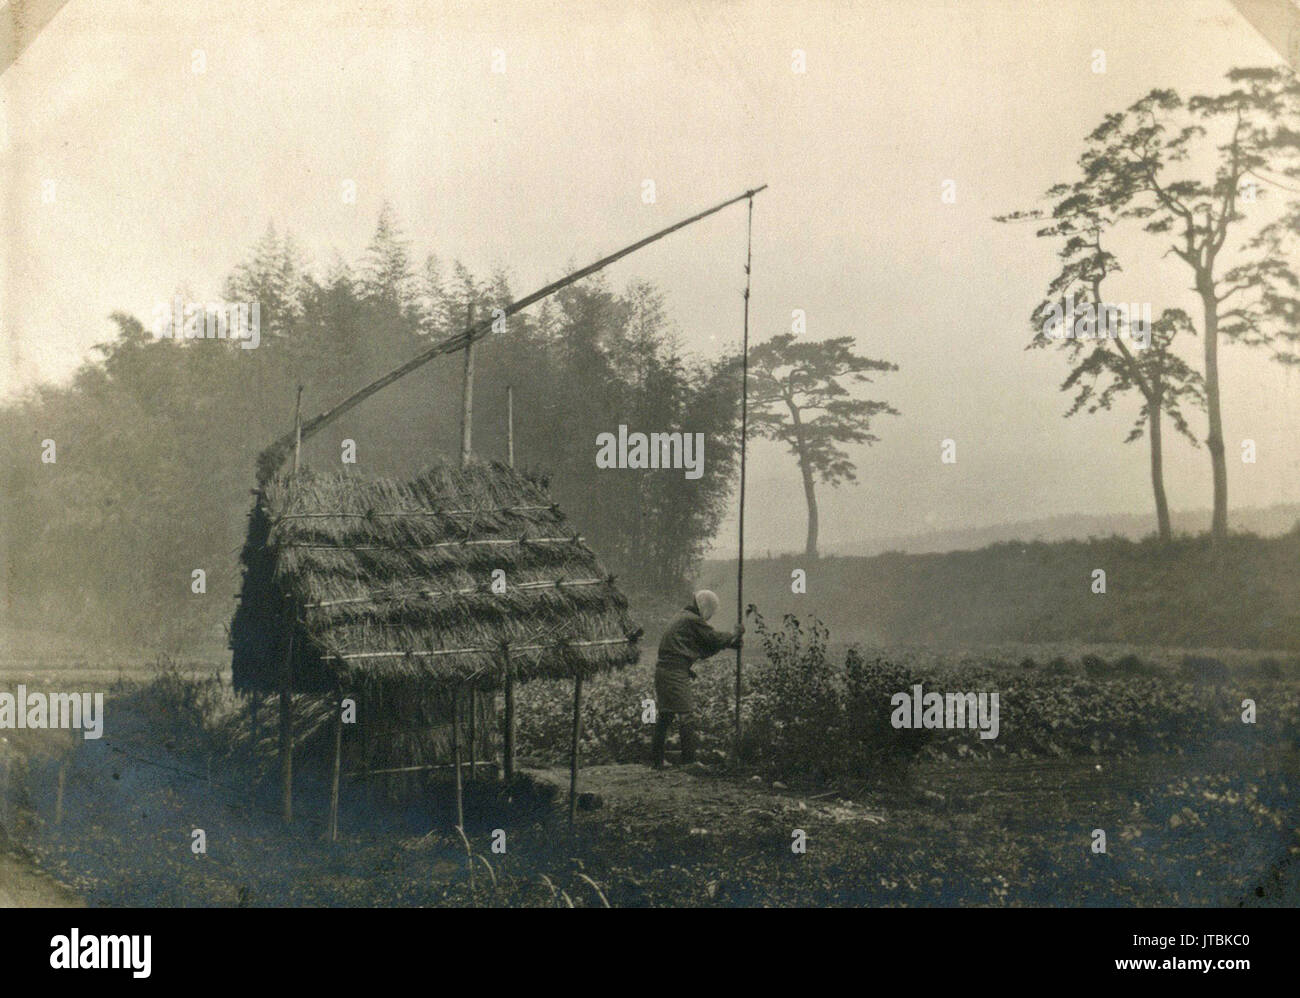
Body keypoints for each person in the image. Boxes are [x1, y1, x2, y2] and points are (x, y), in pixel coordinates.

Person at [650, 589, 743, 769]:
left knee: (666, 715)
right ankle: (689, 761)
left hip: (667, 671)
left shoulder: (683, 617)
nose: (708, 617)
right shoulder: (692, 620)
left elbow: (697, 645)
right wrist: (733, 634)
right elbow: (712, 638)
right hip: (672, 672)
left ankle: (657, 760)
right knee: (686, 714)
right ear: (705, 607)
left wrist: (729, 644)